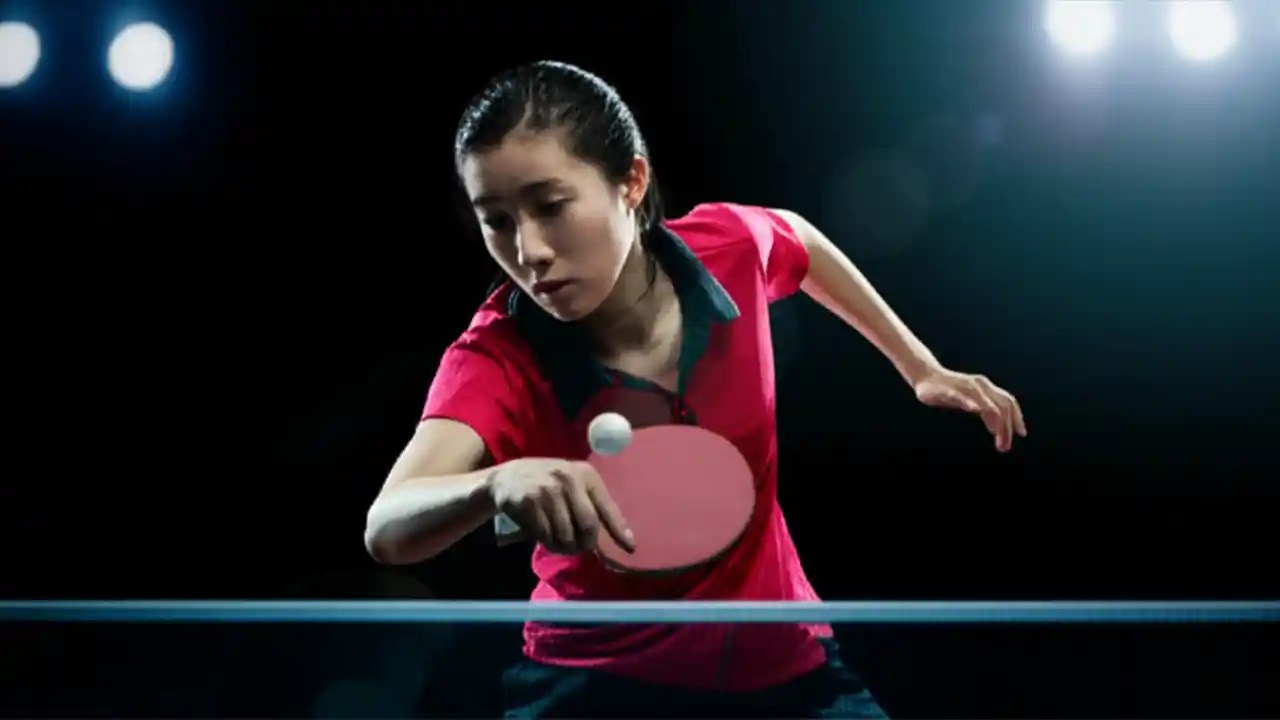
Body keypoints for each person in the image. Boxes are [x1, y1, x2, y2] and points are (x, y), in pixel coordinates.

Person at [363, 60, 1026, 718]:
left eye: (551, 205)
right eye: (497, 220)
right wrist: (493, 483)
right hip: (593, 687)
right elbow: (388, 526)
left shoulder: (729, 247)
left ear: (631, 181)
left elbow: (798, 239)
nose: (528, 249)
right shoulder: (497, 354)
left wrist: (920, 367)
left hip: (783, 666)